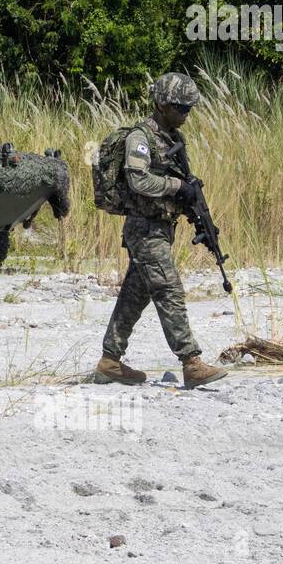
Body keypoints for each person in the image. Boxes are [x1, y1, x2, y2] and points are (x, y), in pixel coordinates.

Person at [94, 72, 227, 390]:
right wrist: (176, 186)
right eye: (180, 108)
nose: (185, 114)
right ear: (161, 104)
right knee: (169, 291)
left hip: (161, 228)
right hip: (144, 229)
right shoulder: (140, 139)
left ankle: (110, 361)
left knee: (134, 296)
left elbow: (179, 185)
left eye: (188, 109)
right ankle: (191, 363)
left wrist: (192, 206)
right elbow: (139, 181)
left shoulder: (172, 140)